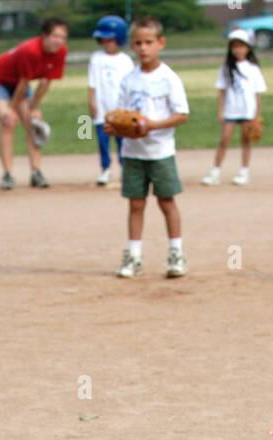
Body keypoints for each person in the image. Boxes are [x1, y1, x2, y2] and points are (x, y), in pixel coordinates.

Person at [106, 15, 189, 279]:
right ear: (131, 45)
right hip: (133, 152)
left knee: (166, 201)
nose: (143, 48)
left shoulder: (168, 78)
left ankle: (176, 253)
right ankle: (134, 256)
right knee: (136, 204)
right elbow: (121, 114)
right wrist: (114, 128)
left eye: (149, 42)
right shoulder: (128, 79)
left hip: (160, 151)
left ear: (161, 43)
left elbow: (182, 115)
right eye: (138, 43)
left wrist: (153, 125)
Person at [0, 18, 68, 190]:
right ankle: (8, 175)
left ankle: (36, 173)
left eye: (63, 37)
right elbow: (24, 82)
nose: (59, 41)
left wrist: (34, 108)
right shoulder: (31, 51)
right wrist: (12, 110)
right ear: (44, 35)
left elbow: (45, 82)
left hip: (20, 83)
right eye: (55, 36)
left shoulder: (61, 52)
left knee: (33, 122)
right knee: (9, 121)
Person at [201, 28, 266, 188]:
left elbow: (258, 94)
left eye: (241, 46)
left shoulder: (253, 68)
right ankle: (215, 171)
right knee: (224, 140)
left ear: (248, 48)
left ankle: (244, 171)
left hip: (247, 110)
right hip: (231, 109)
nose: (238, 50)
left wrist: (257, 115)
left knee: (245, 140)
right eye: (234, 46)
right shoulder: (225, 68)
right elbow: (222, 91)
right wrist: (220, 111)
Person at [88, 15, 134, 187]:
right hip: (101, 108)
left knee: (123, 141)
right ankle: (105, 169)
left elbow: (130, 85)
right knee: (102, 141)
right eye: (104, 39)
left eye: (110, 39)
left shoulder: (125, 60)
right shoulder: (96, 58)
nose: (107, 43)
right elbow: (91, 83)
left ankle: (126, 169)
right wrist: (91, 102)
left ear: (119, 39)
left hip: (120, 109)